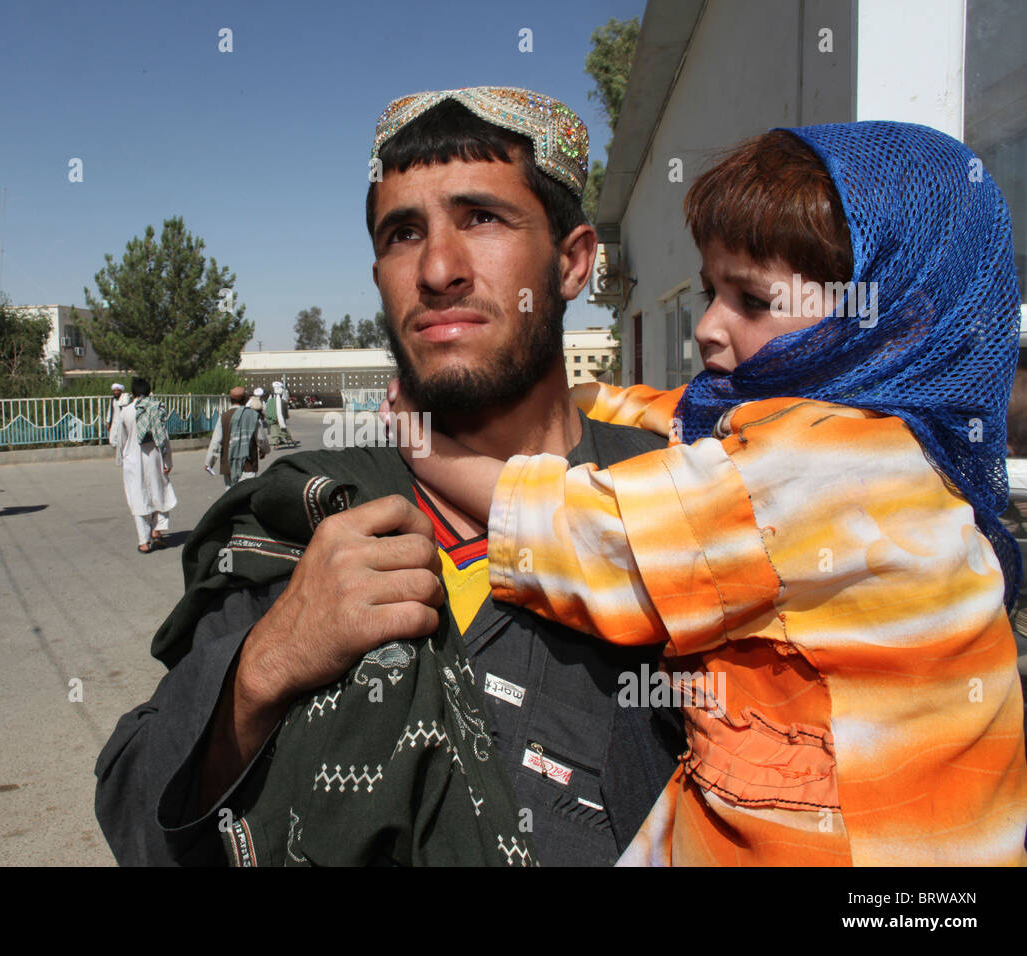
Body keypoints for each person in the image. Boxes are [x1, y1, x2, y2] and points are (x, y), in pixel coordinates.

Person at [396, 121, 1027, 865]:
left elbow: (594, 540)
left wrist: (424, 444)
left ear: (892, 319)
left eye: (752, 302)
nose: (708, 329)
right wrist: (571, 402)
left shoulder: (835, 467)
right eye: (710, 291)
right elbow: (685, 417)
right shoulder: (884, 425)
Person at [95, 87, 683, 866]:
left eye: (482, 217)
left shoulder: (687, 501)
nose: (438, 268)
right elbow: (140, 821)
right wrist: (267, 664)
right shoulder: (306, 521)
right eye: (404, 233)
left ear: (572, 262)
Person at [117, 377, 176, 553]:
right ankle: (157, 531)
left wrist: (121, 459)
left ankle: (144, 541)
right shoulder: (155, 409)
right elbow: (164, 437)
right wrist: (168, 461)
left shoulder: (126, 412)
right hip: (156, 458)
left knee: (138, 498)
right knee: (161, 493)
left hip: (133, 461)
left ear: (132, 393)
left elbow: (122, 440)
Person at [204, 386, 270, 487]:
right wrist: (264, 450)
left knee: (231, 497)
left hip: (228, 466)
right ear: (245, 400)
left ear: (230, 400)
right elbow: (261, 439)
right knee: (247, 497)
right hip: (248, 465)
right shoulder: (252, 416)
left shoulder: (223, 417)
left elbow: (216, 442)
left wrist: (209, 462)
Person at [264, 381, 294, 447]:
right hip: (281, 417)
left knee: (274, 429)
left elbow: (267, 406)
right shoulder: (282, 396)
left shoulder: (271, 397)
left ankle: (277, 442)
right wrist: (286, 415)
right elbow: (285, 406)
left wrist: (268, 416)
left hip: (273, 417)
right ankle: (288, 440)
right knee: (282, 428)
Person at [107, 382, 130, 465]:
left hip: (122, 422)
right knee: (113, 440)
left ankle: (122, 458)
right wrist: (108, 422)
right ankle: (120, 456)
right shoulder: (113, 399)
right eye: (115, 391)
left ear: (120, 391)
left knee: (122, 440)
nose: (116, 392)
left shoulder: (125, 398)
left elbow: (125, 407)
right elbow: (110, 411)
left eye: (118, 391)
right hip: (114, 422)